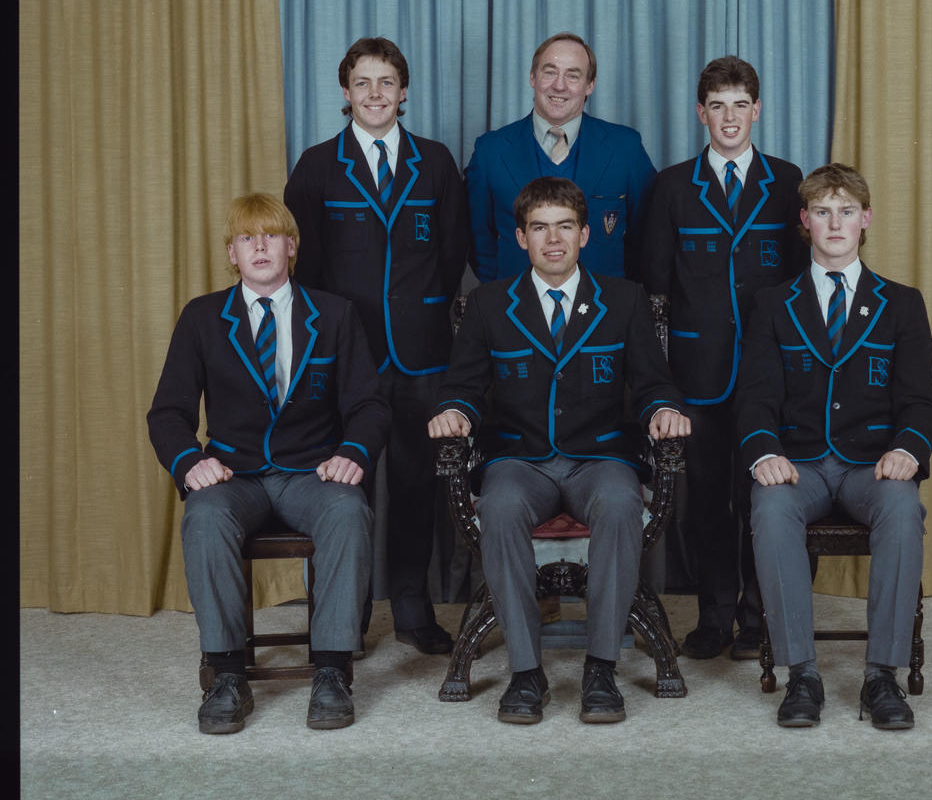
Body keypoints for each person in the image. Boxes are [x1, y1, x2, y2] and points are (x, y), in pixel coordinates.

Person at [428, 177, 691, 725]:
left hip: (600, 459)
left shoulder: (623, 299)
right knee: (498, 509)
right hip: (519, 461)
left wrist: (663, 409)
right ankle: (526, 672)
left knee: (621, 505)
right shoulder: (488, 304)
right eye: (540, 228)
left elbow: (653, 383)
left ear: (585, 234)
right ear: (521, 237)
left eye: (565, 227)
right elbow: (463, 386)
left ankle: (600, 668)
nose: (553, 240)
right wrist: (455, 411)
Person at [147, 193, 390, 733]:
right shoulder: (202, 318)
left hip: (311, 473)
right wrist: (191, 463)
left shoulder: (334, 313)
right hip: (236, 475)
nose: (260, 246)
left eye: (272, 235)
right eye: (246, 238)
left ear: (292, 246)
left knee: (349, 510)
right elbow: (167, 413)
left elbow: (369, 405)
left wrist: (352, 453)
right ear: (231, 253)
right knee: (205, 515)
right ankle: (228, 673)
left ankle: (332, 670)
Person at [734, 163, 932, 729]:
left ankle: (882, 676)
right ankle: (802, 674)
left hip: (870, 464)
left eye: (846, 211)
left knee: (901, 507)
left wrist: (908, 450)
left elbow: (920, 402)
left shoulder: (902, 303)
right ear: (804, 221)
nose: (835, 223)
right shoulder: (774, 304)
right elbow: (754, 399)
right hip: (797, 464)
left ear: (865, 219)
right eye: (822, 212)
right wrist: (764, 453)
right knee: (770, 509)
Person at [285, 37, 469, 655]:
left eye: (386, 82)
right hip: (346, 357)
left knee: (418, 484)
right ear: (345, 92)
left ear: (404, 91)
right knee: (345, 486)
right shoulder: (316, 165)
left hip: (422, 354)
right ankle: (348, 612)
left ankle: (414, 608)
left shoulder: (436, 163)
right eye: (362, 83)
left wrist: (416, 311)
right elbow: (301, 268)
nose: (375, 95)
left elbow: (452, 257)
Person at [642, 56, 804, 661]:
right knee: (707, 500)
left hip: (772, 377)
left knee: (766, 495)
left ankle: (760, 615)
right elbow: (654, 289)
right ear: (700, 113)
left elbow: (803, 283)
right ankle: (714, 616)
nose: (729, 117)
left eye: (741, 104)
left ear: (756, 110)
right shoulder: (672, 186)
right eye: (718, 105)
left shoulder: (788, 183)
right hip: (699, 375)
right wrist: (662, 381)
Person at [463, 31, 656, 284]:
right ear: (533, 77)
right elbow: (477, 241)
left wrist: (616, 295)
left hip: (605, 310)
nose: (560, 85)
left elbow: (647, 237)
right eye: (550, 72)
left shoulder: (626, 148)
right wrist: (503, 292)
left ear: (590, 85)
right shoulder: (491, 151)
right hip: (516, 310)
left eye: (573, 75)